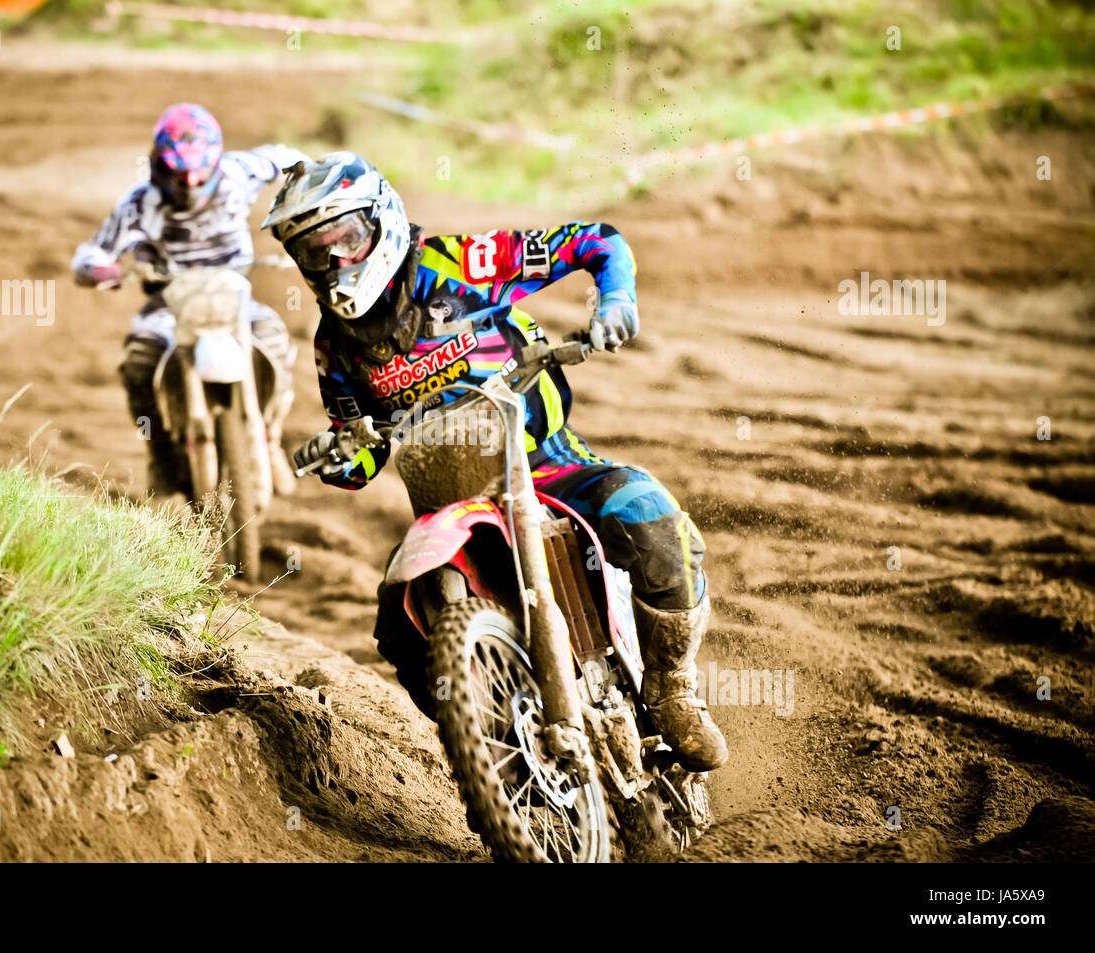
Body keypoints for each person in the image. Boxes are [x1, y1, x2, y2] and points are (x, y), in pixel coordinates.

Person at [265, 152, 727, 772]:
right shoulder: (334, 345)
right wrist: (337, 455)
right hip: (445, 501)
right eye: (314, 253)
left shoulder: (459, 262)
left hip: (548, 466)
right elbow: (361, 450)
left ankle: (674, 689)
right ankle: (499, 758)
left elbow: (599, 241)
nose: (335, 263)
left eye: (346, 239)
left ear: (381, 219)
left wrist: (614, 301)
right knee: (398, 631)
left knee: (650, 516)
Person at [72, 103, 308, 498]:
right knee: (138, 362)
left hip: (233, 296)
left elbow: (291, 159)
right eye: (180, 171)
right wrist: (103, 271)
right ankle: (161, 457)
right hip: (168, 307)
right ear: (159, 166)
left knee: (276, 338)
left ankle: (269, 436)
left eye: (201, 168)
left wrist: (312, 192)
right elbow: (89, 255)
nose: (192, 179)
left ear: (216, 160)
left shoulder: (239, 172)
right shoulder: (140, 205)